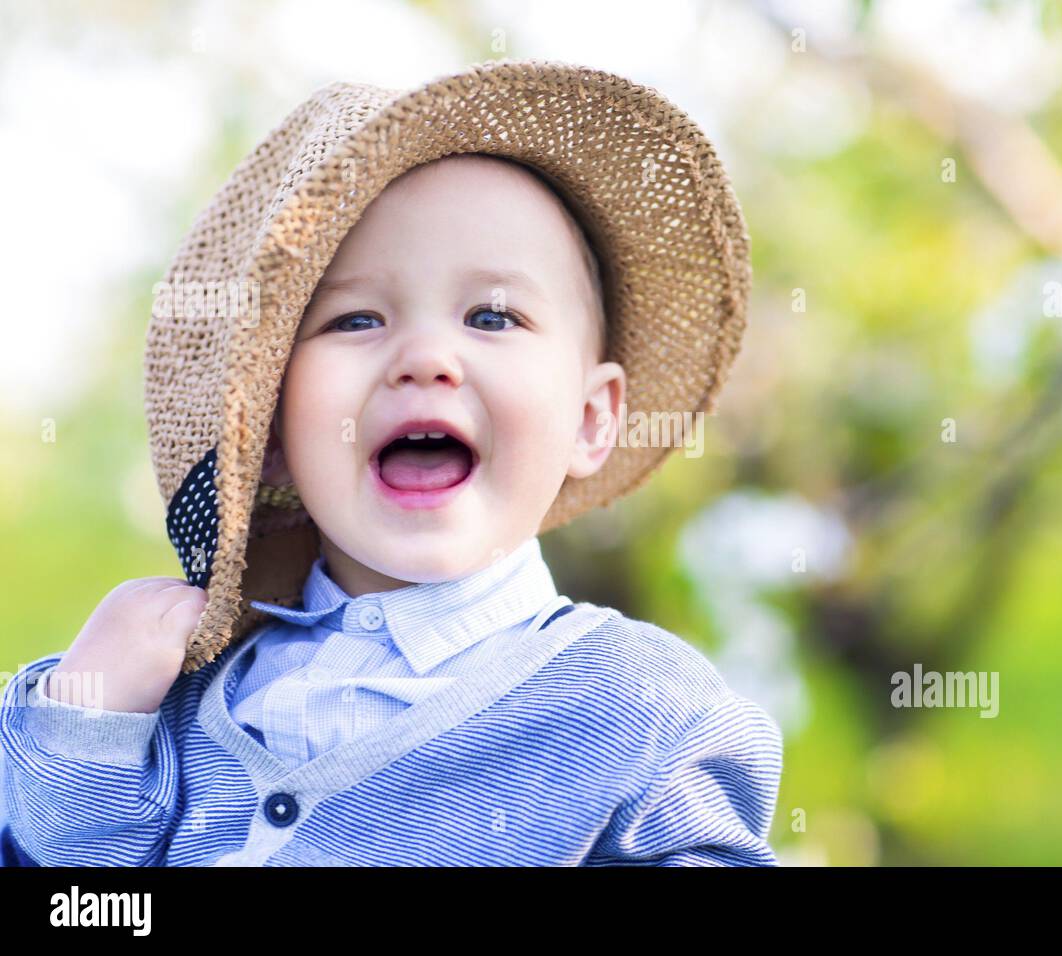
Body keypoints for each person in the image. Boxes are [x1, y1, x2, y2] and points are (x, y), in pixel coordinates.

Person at [0, 59, 782, 866]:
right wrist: (82, 721)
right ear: (267, 430)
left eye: (491, 315)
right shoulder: (174, 702)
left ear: (590, 419)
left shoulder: (638, 704)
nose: (426, 358)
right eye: (357, 318)